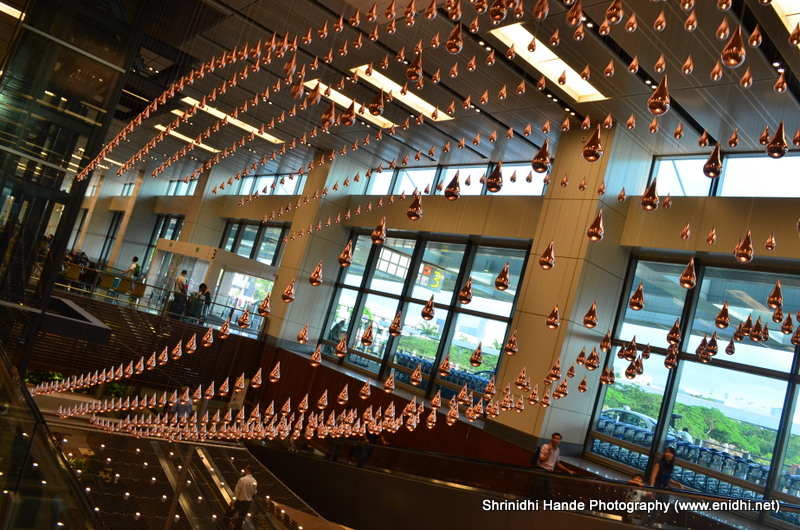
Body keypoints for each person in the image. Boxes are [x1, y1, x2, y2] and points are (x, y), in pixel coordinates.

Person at [530, 432, 576, 500]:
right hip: (542, 470)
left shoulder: (557, 450)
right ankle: (532, 504)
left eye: (558, 439)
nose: (556, 440)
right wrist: (548, 452)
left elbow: (557, 463)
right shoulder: (545, 446)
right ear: (551, 439)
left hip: (550, 472)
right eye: (554, 438)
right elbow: (541, 459)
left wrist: (568, 470)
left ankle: (551, 506)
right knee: (537, 488)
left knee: (550, 490)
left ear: (560, 441)